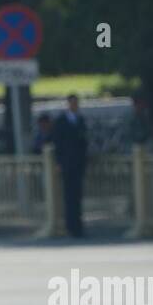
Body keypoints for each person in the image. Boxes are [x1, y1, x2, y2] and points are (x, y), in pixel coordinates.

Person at [52, 95, 89, 238]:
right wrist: (59, 162)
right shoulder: (61, 121)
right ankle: (70, 226)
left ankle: (78, 226)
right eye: (72, 103)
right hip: (66, 164)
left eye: (76, 103)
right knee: (69, 196)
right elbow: (58, 143)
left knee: (77, 196)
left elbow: (84, 142)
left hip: (78, 164)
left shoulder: (80, 120)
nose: (75, 105)